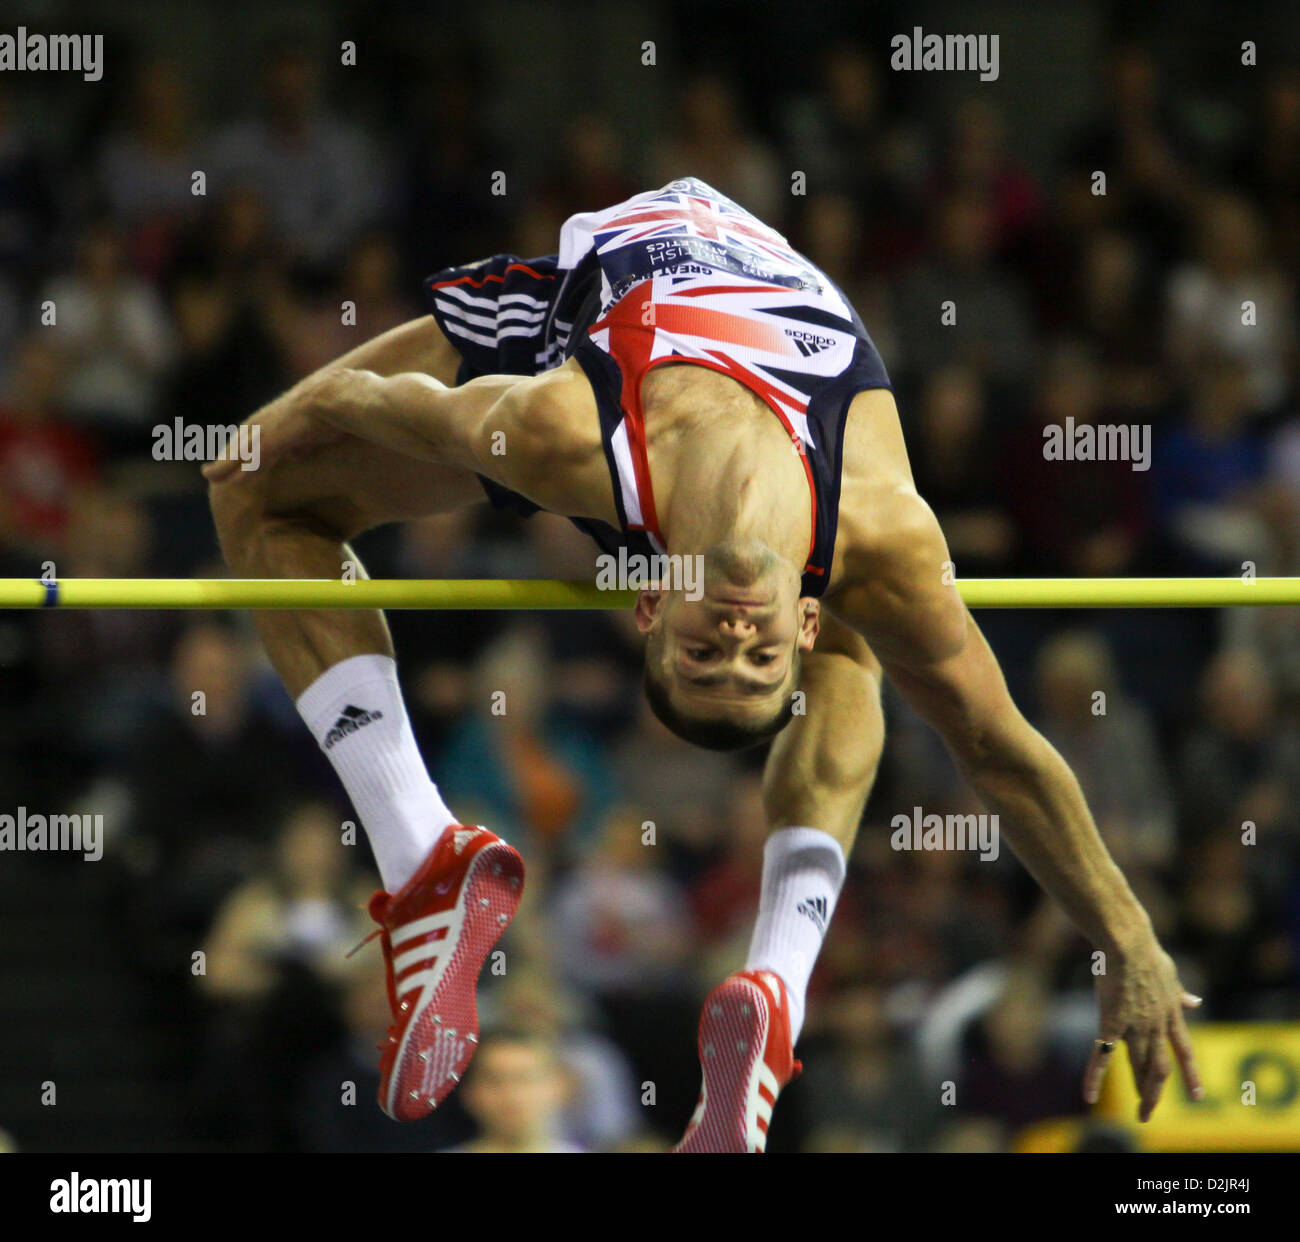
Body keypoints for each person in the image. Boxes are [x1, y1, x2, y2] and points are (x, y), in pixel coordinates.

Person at [206, 177, 1201, 1152]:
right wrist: (1128, 940)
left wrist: (319, 397)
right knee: (865, 629)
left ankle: (422, 850)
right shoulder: (876, 537)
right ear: (793, 628)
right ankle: (776, 982)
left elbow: (397, 401)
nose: (735, 632)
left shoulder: (559, 438)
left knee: (254, 493)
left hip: (592, 297)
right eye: (755, 654)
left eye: (706, 651)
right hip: (764, 346)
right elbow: (1000, 751)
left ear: (651, 603)